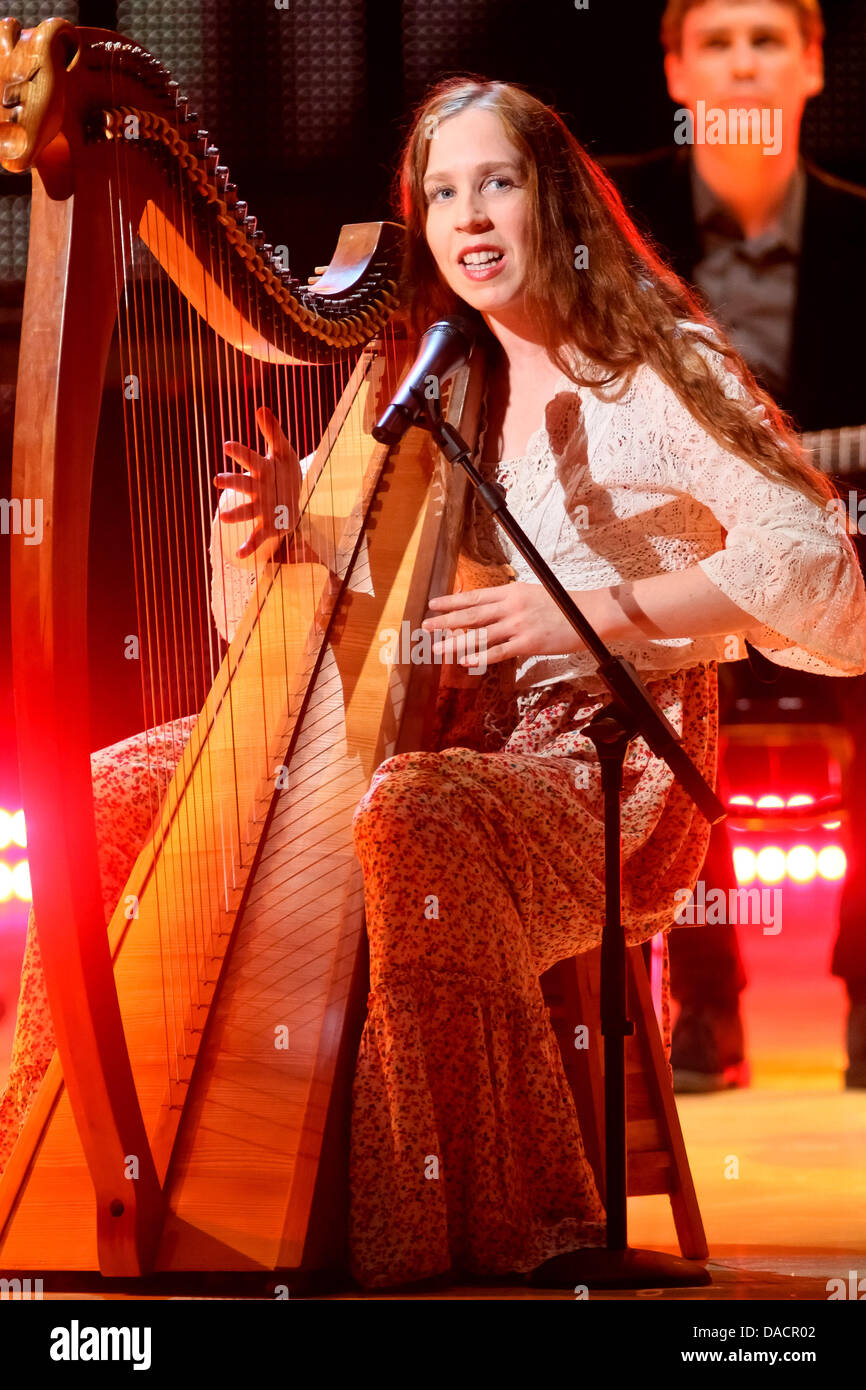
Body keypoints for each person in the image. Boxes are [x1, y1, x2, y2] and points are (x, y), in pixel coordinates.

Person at [2, 73, 864, 1293]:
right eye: (442, 190)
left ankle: (488, 1221)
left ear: (552, 200)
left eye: (494, 183)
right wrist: (280, 535)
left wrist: (596, 612)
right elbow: (325, 660)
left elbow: (814, 571)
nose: (467, 215)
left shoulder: (652, 373)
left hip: (604, 767)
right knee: (106, 791)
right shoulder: (432, 382)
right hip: (439, 739)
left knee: (411, 808)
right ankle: (87, 1175)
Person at [604, 0, 866, 1091]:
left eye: (767, 40)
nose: (743, 63)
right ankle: (702, 997)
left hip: (848, 540)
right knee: (612, 636)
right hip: (680, 548)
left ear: (810, 67)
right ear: (675, 69)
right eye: (716, 41)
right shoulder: (618, 232)